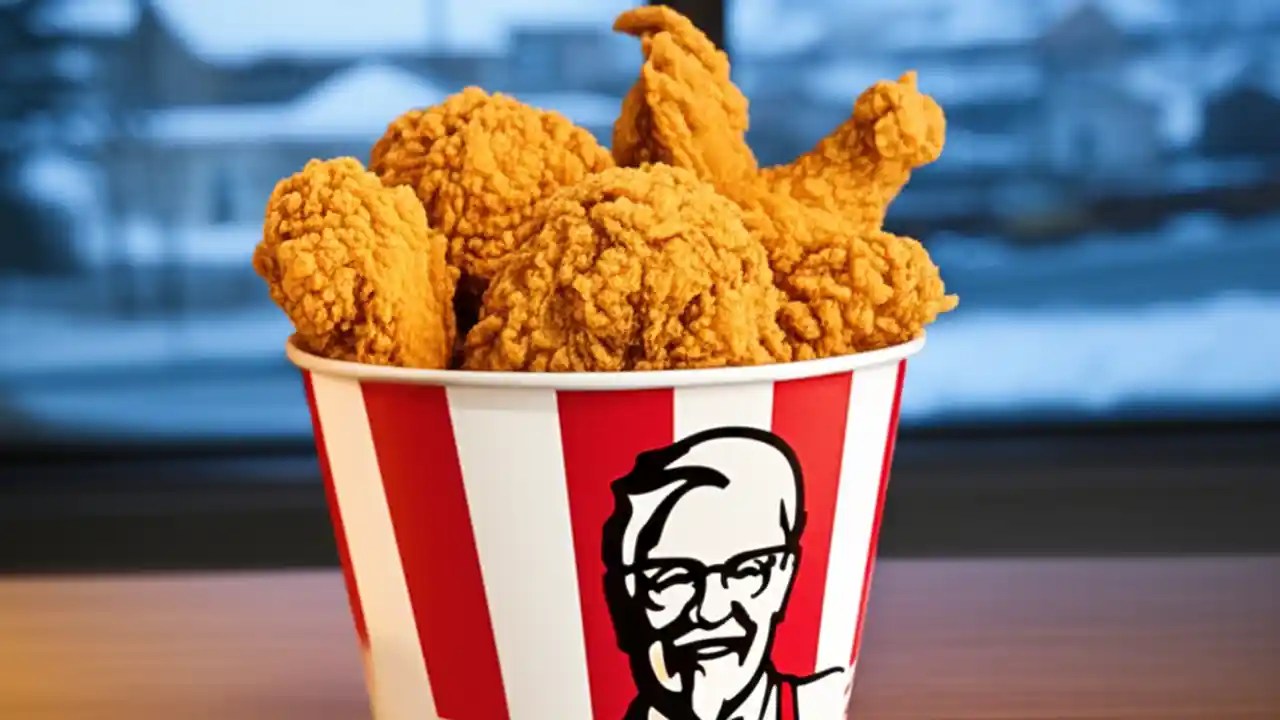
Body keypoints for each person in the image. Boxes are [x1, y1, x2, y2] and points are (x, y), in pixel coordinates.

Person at [603, 427, 847, 720]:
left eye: (747, 572)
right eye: (674, 578)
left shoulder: (818, 704)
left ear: (784, 578)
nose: (711, 611)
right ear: (623, 598)